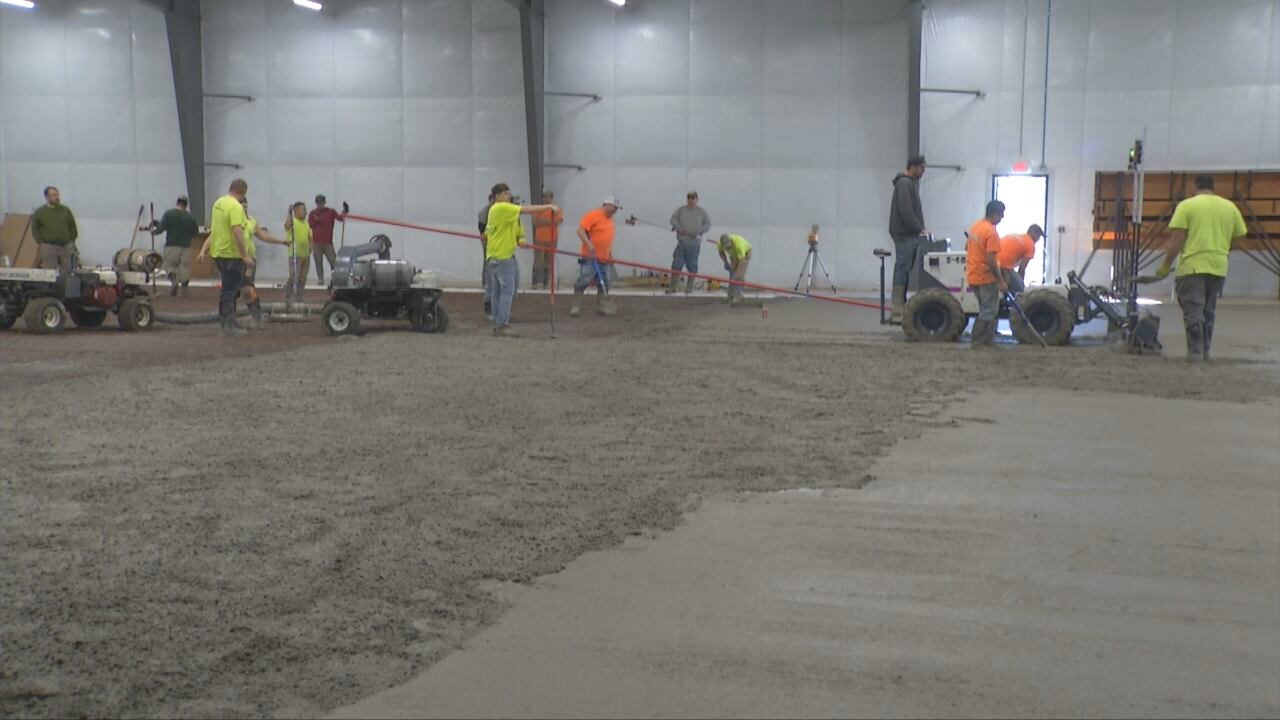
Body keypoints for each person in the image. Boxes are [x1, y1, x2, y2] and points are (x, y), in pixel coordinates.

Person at [1156, 174, 1248, 363]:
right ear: (1213, 187)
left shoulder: (1187, 206)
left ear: (1195, 187)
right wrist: (1223, 249)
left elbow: (1177, 239)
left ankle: (1195, 353)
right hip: (1218, 266)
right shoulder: (1229, 207)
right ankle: (1205, 352)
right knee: (1208, 310)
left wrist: (1165, 265)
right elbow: (1240, 236)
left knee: (1193, 310)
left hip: (1192, 266)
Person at [197, 198, 288, 330]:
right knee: (233, 290)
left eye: (245, 207)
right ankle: (231, 320)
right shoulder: (230, 219)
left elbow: (263, 235)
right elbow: (213, 236)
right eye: (241, 206)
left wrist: (281, 241)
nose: (244, 209)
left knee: (247, 289)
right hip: (233, 258)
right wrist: (202, 251)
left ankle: (256, 318)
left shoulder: (251, 221)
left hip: (249, 261)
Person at [483, 182, 559, 337]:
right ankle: (502, 324)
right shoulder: (501, 208)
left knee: (500, 290)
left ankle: (499, 321)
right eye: (505, 193)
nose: (508, 196)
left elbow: (516, 228)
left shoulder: (501, 212)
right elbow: (526, 210)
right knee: (507, 290)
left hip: (497, 256)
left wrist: (521, 239)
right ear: (497, 197)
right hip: (502, 257)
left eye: (508, 193)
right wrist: (548, 207)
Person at [197, 178, 252, 336]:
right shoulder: (235, 207)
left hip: (219, 253)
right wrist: (245, 255)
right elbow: (237, 231)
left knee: (230, 290)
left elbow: (214, 231)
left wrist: (204, 251)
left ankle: (230, 321)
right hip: (232, 255)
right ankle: (228, 325)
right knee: (230, 291)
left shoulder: (218, 203)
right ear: (243, 191)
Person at [887, 155, 928, 324]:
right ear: (913, 167)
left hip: (908, 233)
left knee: (904, 267)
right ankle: (897, 309)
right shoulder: (904, 184)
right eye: (922, 168)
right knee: (902, 267)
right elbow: (906, 211)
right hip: (905, 234)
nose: (923, 172)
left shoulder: (908, 184)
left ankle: (900, 307)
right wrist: (920, 229)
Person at [966, 200, 1008, 348]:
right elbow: (991, 260)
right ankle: (979, 341)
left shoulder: (975, 227)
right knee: (989, 310)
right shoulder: (991, 232)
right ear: (995, 214)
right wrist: (1000, 280)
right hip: (985, 277)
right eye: (1001, 215)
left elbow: (968, 247)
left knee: (985, 308)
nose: (1002, 218)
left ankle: (986, 341)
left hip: (973, 275)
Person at [571, 197, 622, 317]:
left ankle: (601, 307)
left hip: (605, 258)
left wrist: (610, 255)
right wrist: (588, 243)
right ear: (607, 205)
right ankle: (575, 306)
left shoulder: (611, 221)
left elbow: (607, 240)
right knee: (584, 280)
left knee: (605, 282)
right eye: (614, 207)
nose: (615, 211)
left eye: (616, 209)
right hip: (590, 257)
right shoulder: (593, 215)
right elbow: (580, 230)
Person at [146, 195, 199, 296]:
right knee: (184, 267)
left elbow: (160, 228)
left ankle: (174, 281)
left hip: (171, 246)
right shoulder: (191, 217)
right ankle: (184, 287)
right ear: (186, 205)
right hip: (186, 247)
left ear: (177, 203)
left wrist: (153, 232)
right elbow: (195, 232)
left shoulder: (169, 214)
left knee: (169, 265)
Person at [667, 191, 711, 294]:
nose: (690, 200)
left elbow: (707, 225)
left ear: (697, 199)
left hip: (694, 244)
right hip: (682, 243)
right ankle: (672, 286)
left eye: (693, 198)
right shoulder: (681, 210)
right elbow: (672, 220)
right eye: (689, 198)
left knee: (692, 265)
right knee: (676, 265)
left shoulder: (702, 212)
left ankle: (689, 287)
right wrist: (679, 227)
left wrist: (699, 231)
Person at [31, 186, 79, 274]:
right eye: (53, 195)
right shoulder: (40, 212)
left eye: (57, 194)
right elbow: (35, 229)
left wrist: (71, 240)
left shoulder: (65, 210)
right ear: (47, 197)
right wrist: (41, 242)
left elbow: (72, 226)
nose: (57, 197)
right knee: (50, 273)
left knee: (68, 272)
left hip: (66, 246)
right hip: (48, 247)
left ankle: (66, 287)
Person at [997, 224, 1044, 295]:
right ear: (1034, 233)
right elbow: (1022, 268)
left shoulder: (1018, 237)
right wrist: (1021, 282)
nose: (1038, 240)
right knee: (1021, 291)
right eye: (1038, 236)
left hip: (992, 263)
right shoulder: (1030, 244)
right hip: (1003, 266)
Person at [531, 189, 564, 290]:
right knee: (537, 261)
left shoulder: (557, 209)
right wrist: (549, 221)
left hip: (552, 239)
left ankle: (546, 284)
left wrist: (544, 221)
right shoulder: (538, 209)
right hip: (540, 239)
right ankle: (534, 283)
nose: (545, 198)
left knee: (549, 262)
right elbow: (535, 223)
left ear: (551, 198)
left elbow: (557, 222)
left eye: (547, 196)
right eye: (544, 196)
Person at [308, 194, 342, 287]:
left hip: (328, 243)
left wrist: (344, 212)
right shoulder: (312, 213)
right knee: (318, 261)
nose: (320, 205)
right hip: (316, 243)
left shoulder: (330, 212)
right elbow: (309, 225)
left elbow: (340, 218)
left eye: (321, 203)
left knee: (333, 261)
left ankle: (336, 278)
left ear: (325, 202)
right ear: (316, 203)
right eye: (318, 203)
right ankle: (320, 279)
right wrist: (316, 220)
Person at [284, 201, 312, 302]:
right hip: (295, 255)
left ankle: (299, 298)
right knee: (293, 277)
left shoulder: (306, 223)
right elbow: (287, 226)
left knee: (302, 278)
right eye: (303, 210)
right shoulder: (292, 221)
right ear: (296, 211)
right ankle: (287, 296)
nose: (306, 212)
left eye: (305, 210)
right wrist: (289, 213)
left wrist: (311, 246)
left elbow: (310, 236)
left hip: (306, 255)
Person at [717, 233, 752, 305]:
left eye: (729, 246)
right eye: (727, 247)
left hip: (745, 254)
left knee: (739, 276)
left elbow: (741, 260)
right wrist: (725, 262)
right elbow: (721, 252)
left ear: (731, 241)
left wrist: (737, 273)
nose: (728, 248)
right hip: (734, 256)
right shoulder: (719, 244)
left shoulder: (739, 244)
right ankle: (730, 295)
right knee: (732, 275)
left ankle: (739, 296)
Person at [479, 192, 496, 318]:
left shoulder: (496, 211)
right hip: (487, 240)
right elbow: (483, 230)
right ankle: (485, 281)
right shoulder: (485, 212)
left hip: (496, 242)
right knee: (487, 262)